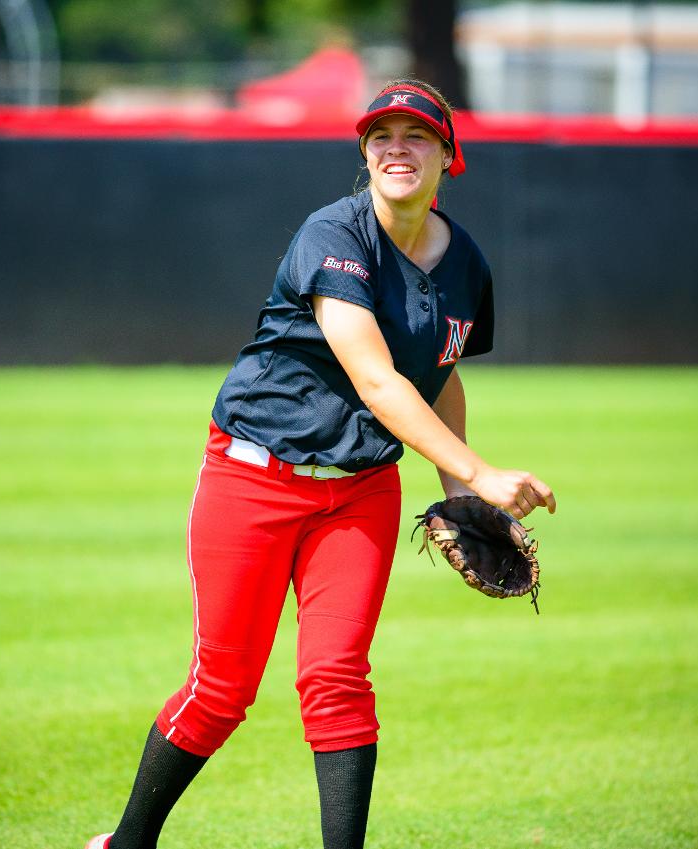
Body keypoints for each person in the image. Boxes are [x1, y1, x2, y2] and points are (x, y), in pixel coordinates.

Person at [86, 78, 556, 849]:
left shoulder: (465, 261)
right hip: (254, 476)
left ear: (448, 155)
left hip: (361, 490)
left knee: (338, 681)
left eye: (416, 136)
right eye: (381, 136)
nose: (396, 149)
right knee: (222, 690)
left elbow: (440, 373)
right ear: (364, 154)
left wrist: (455, 496)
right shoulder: (333, 235)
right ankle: (126, 843)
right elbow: (379, 381)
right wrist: (480, 473)